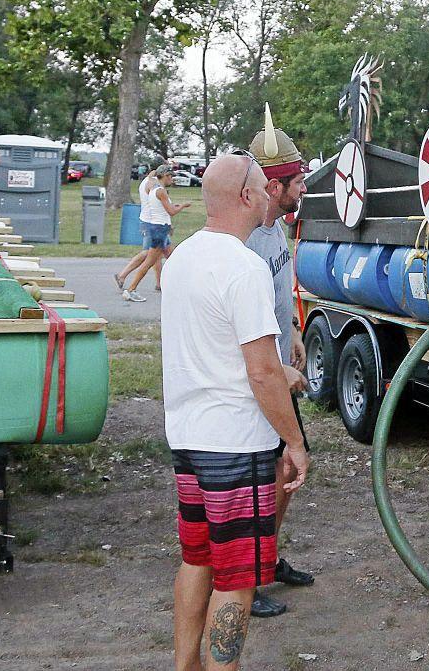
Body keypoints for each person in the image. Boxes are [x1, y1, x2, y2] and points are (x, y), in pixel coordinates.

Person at [162, 154, 309, 671]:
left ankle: (186, 665)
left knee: (197, 557)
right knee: (238, 576)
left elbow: (212, 344)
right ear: (247, 196)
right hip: (235, 445)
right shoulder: (243, 266)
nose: (271, 194)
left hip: (188, 438)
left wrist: (275, 372)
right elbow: (262, 372)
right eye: (262, 187)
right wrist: (294, 442)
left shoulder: (181, 257)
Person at [243, 109, 315, 618]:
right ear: (273, 187)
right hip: (255, 374)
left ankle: (264, 559)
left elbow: (277, 285)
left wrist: (293, 330)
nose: (304, 187)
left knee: (286, 466)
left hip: (279, 361)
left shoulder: (277, 231)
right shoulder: (243, 236)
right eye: (297, 180)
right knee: (256, 475)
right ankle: (244, 578)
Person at [121, 165, 190, 302]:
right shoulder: (160, 191)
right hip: (159, 230)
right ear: (164, 176)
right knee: (148, 262)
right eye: (170, 176)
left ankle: (183, 286)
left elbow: (165, 209)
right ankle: (131, 289)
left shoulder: (154, 190)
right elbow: (171, 212)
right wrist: (183, 206)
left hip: (160, 228)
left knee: (174, 257)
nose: (172, 179)